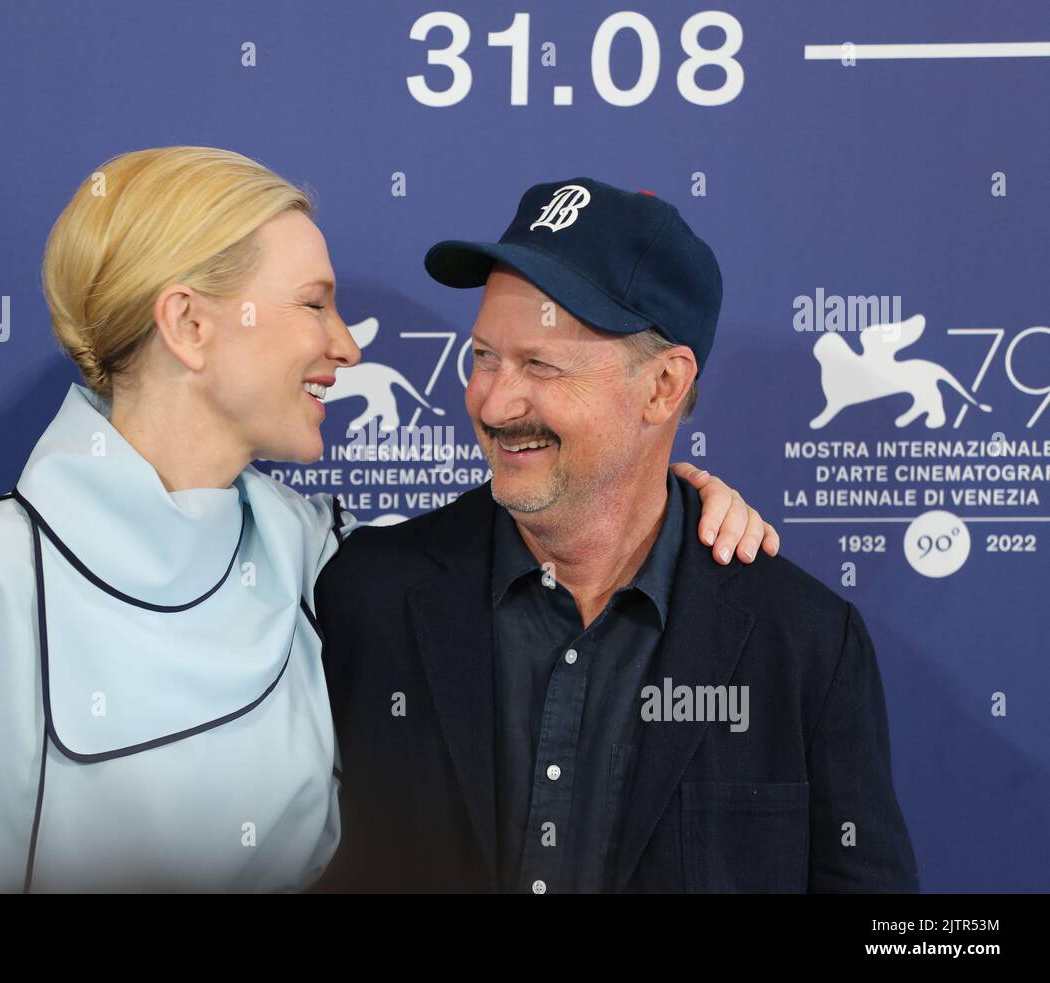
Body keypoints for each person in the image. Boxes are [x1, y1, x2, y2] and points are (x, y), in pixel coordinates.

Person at [0, 150, 775, 893]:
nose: (346, 342)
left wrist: (670, 500)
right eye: (313, 304)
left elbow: (541, 524)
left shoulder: (323, 559)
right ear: (192, 325)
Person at [315, 179, 919, 893]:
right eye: (483, 356)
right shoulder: (367, 591)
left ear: (663, 386)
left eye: (540, 364)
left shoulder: (805, 642)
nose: (493, 401)